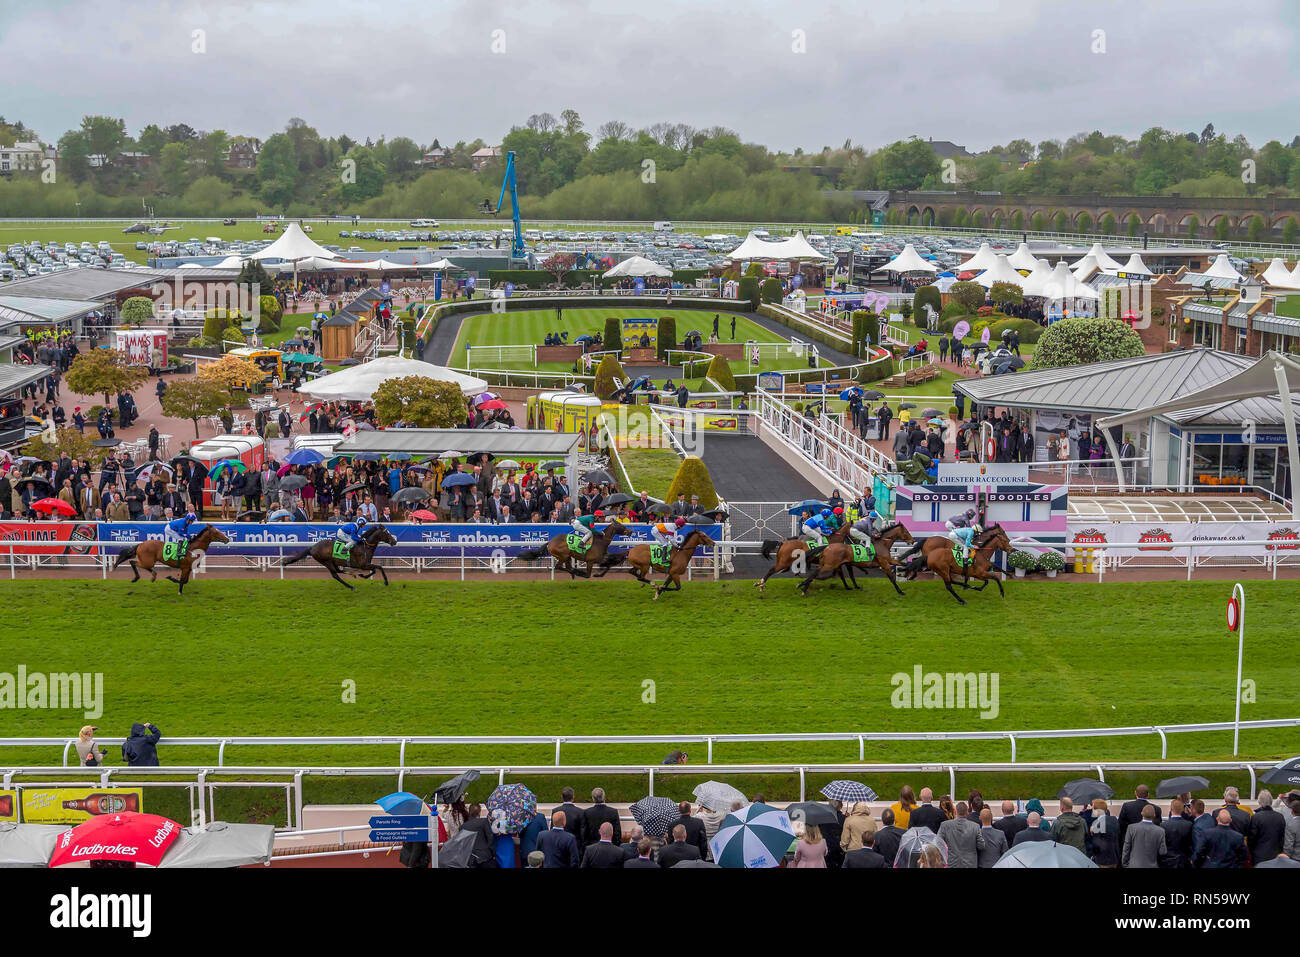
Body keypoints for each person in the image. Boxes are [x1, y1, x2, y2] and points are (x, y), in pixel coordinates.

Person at [937, 802, 986, 867]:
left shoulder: (945, 825)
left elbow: (938, 843)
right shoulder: (975, 826)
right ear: (967, 812)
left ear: (955, 812)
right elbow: (981, 845)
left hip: (952, 862)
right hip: (969, 864)